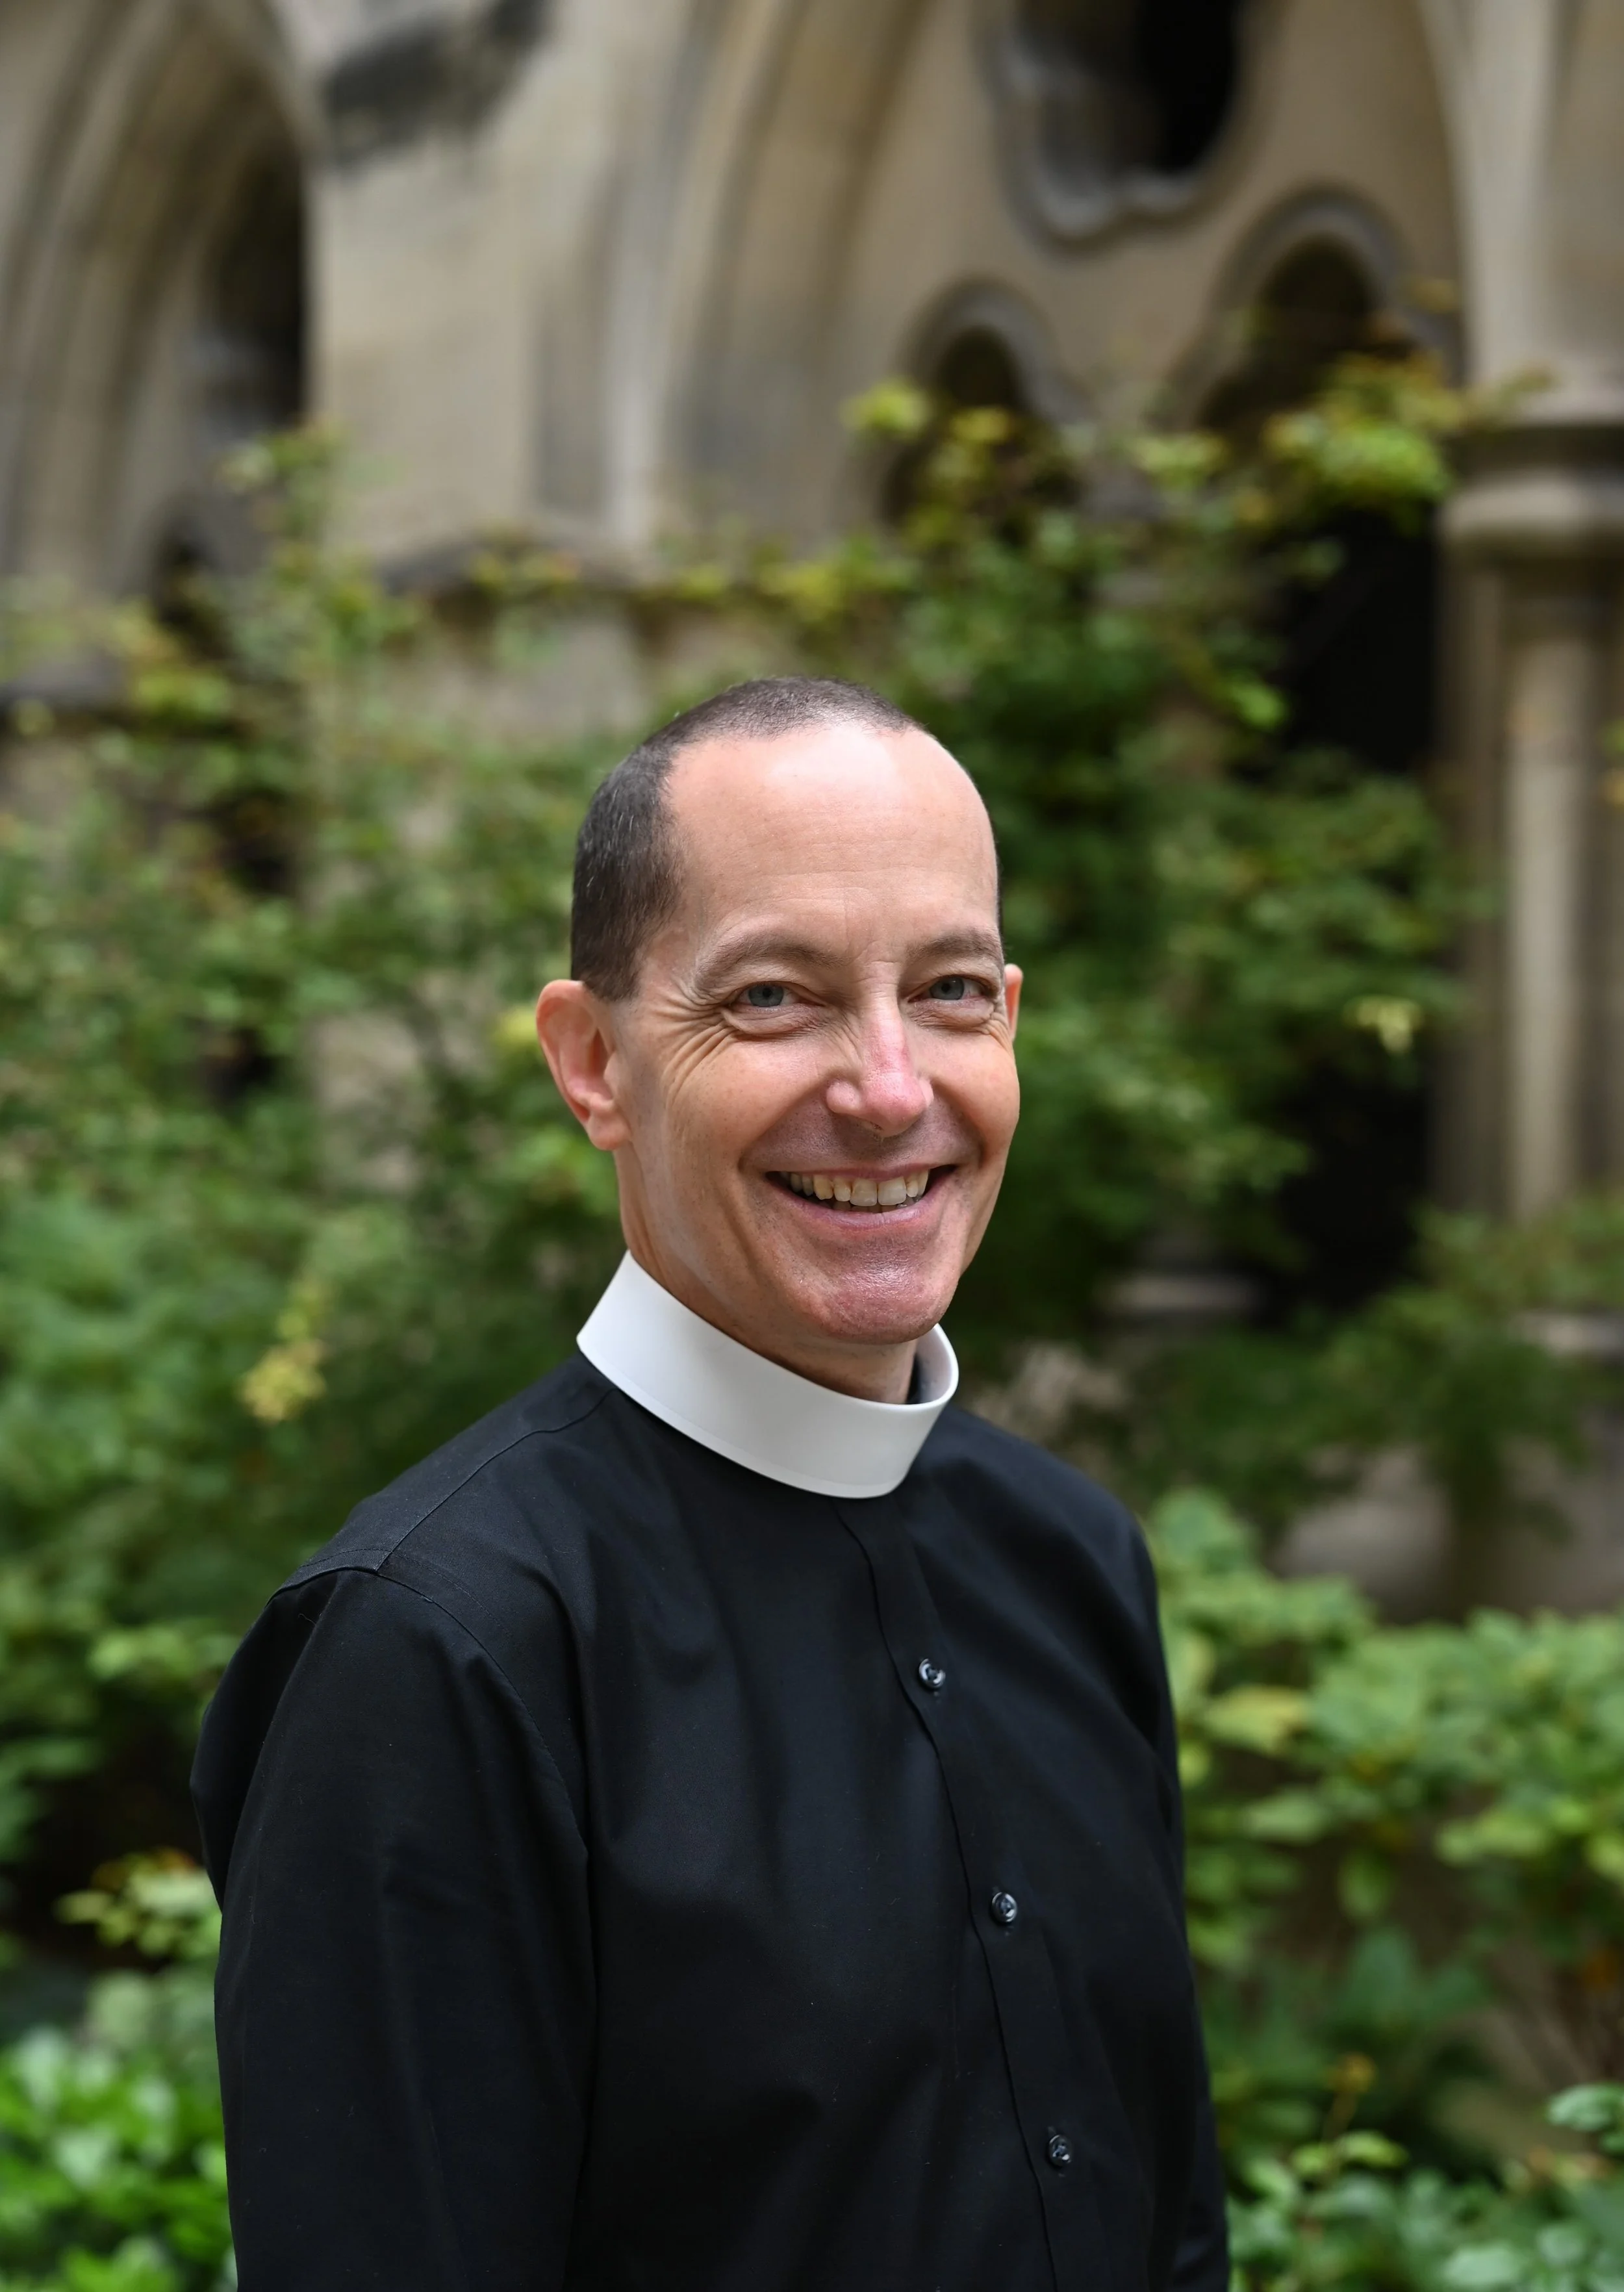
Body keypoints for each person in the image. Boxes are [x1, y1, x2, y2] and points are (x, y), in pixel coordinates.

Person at [192, 676, 1228, 2291]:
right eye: (772, 1000)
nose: (890, 1087)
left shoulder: (1073, 1555)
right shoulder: (434, 1651)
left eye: (947, 991)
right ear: (594, 1061)